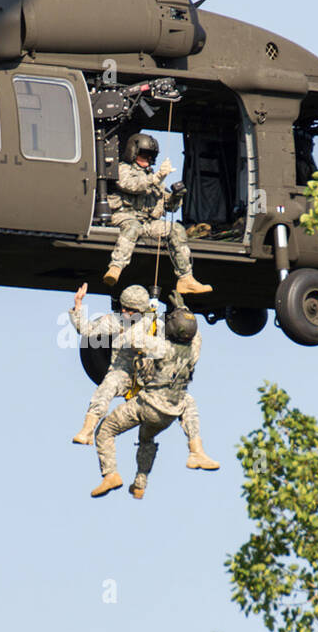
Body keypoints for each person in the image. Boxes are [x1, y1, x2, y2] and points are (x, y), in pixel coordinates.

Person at [69, 283, 217, 470]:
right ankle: (88, 428)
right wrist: (78, 306)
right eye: (123, 307)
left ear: (140, 310)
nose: (124, 312)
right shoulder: (118, 321)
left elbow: (184, 338)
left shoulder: (160, 325)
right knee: (108, 385)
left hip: (150, 380)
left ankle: (196, 451)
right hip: (124, 371)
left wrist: (179, 312)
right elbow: (87, 330)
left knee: (184, 401)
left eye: (130, 310)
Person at [91, 295, 219, 499]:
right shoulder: (192, 351)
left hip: (147, 405)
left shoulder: (161, 347)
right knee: (149, 436)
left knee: (105, 431)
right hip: (169, 414)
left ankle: (110, 474)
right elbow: (195, 334)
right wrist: (183, 309)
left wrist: (148, 317)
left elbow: (134, 340)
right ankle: (190, 453)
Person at [103, 132, 212, 297]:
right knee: (132, 227)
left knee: (175, 229)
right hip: (125, 217)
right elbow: (132, 185)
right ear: (133, 152)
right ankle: (116, 267)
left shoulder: (153, 178)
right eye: (143, 154)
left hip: (147, 224)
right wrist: (157, 177)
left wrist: (177, 195)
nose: (147, 158)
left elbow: (169, 207)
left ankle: (186, 278)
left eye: (150, 156)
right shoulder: (122, 169)